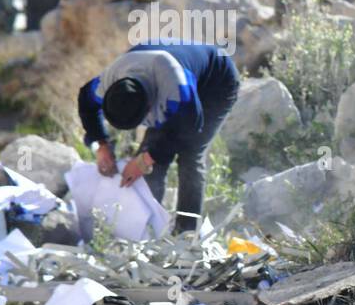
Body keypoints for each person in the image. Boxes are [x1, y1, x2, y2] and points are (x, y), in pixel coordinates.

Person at [78, 40, 239, 232]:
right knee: (151, 158)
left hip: (216, 81)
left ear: (148, 107)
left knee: (190, 156)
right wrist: (101, 144)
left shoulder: (176, 90)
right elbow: (85, 102)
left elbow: (190, 130)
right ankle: (146, 229)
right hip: (164, 71)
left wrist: (145, 160)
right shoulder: (107, 82)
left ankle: (186, 232)